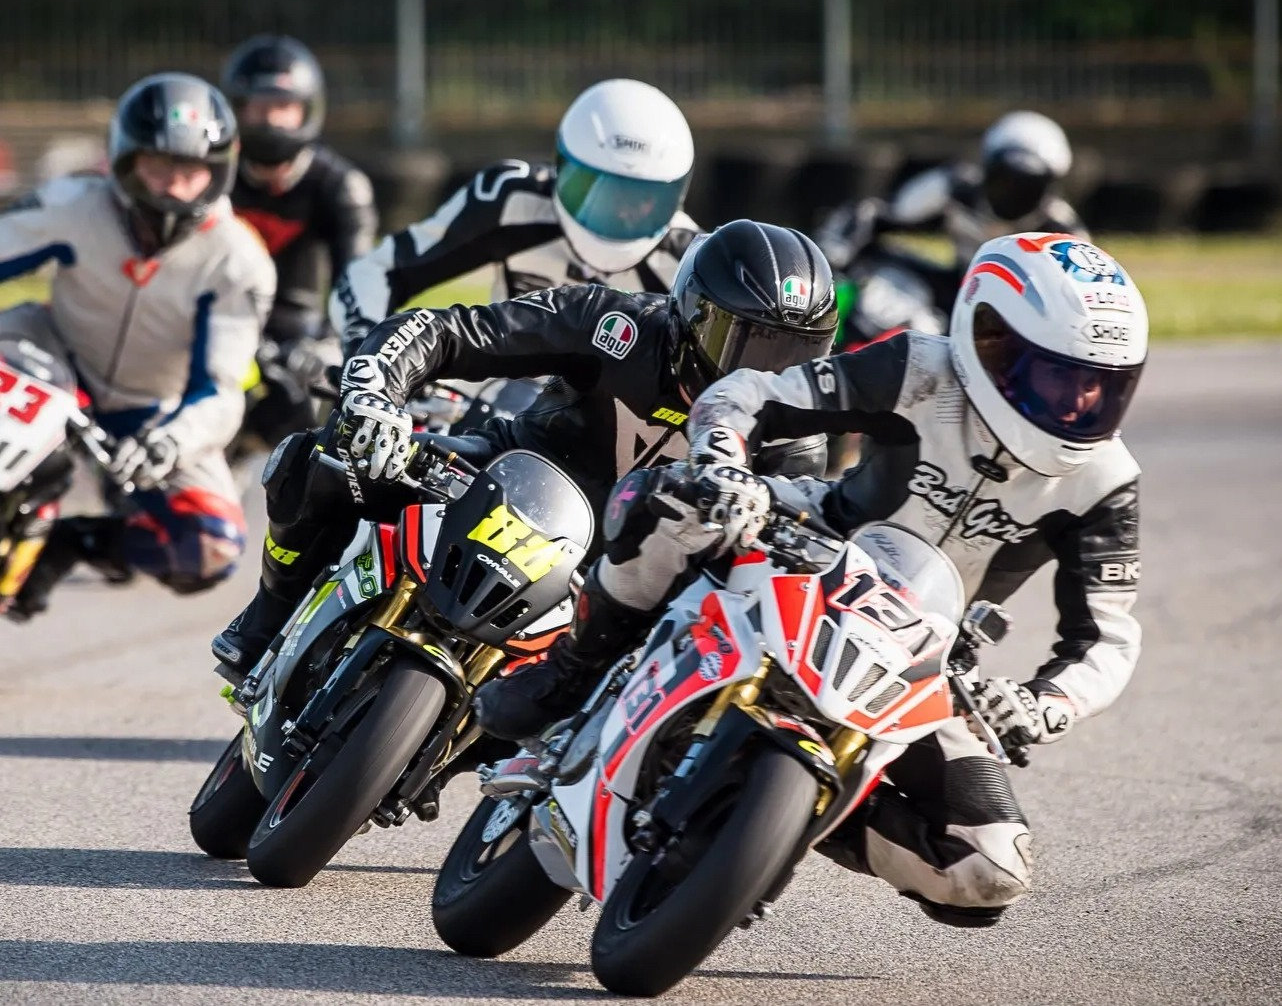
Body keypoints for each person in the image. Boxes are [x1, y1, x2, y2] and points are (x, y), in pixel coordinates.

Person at [477, 230, 1147, 927]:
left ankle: (784, 818)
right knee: (672, 501)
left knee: (989, 866)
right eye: (1059, 374)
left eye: (1105, 383)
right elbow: (752, 393)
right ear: (992, 342)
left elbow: (1108, 638)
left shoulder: (1106, 482)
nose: (1082, 402)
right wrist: (724, 466)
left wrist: (1042, 704)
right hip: (810, 549)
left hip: (917, 658)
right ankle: (573, 672)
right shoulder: (919, 369)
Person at [211, 219, 840, 687]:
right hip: (508, 474)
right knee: (320, 461)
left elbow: (787, 550)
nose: (766, 372)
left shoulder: (794, 432)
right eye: (746, 344)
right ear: (692, 314)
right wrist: (375, 393)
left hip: (623, 573)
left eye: (793, 353)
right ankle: (270, 611)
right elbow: (449, 331)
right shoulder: (613, 325)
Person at [0, 72, 276, 616]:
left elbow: (220, 390)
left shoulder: (239, 261)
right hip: (48, 351)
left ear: (219, 172)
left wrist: (169, 442)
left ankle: (66, 544)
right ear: (125, 162)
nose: (173, 187)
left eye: (191, 172)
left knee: (210, 545)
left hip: (148, 407)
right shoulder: (73, 203)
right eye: (158, 166)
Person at [329, 78, 701, 356]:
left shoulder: (694, 263)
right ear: (563, 167)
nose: (621, 211)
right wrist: (367, 352)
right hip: (503, 400)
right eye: (602, 191)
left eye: (642, 198)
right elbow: (378, 270)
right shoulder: (511, 199)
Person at [223, 34, 377, 434]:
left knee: (321, 418)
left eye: (284, 107)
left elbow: (359, 287)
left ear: (307, 109)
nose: (272, 120)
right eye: (261, 107)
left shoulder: (339, 185)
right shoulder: (211, 178)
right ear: (239, 110)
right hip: (218, 323)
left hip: (301, 339)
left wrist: (329, 343)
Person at [817, 111, 1088, 314]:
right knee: (873, 258)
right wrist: (832, 263)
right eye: (1004, 180)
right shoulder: (955, 187)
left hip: (1019, 313)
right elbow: (875, 214)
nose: (1011, 193)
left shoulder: (1060, 228)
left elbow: (1084, 292)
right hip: (956, 293)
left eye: (1026, 185)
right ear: (987, 168)